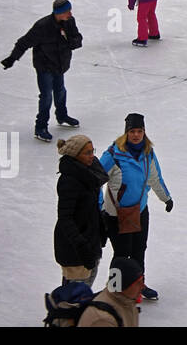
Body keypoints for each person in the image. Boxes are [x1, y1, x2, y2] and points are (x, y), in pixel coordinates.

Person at [100, 113, 172, 303]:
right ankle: (115, 289)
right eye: (132, 131)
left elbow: (155, 177)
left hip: (139, 211)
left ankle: (137, 285)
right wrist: (100, 205)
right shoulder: (113, 154)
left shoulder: (148, 152)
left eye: (139, 131)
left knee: (139, 250)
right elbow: (94, 178)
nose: (136, 135)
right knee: (122, 254)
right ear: (126, 133)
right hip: (116, 215)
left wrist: (166, 198)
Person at [2, 0, 83, 141]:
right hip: (45, 67)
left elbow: (77, 38)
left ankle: (62, 116)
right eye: (67, 11)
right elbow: (23, 43)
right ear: (58, 13)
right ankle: (40, 127)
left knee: (60, 91)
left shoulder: (70, 21)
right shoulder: (42, 27)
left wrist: (72, 41)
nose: (70, 13)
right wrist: (12, 59)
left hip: (60, 65)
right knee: (46, 96)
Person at [54, 134, 109, 288]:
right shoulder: (69, 181)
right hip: (75, 251)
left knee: (83, 293)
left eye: (93, 151)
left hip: (90, 243)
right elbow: (65, 219)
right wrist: (82, 248)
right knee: (74, 299)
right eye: (87, 153)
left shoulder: (88, 175)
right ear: (75, 155)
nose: (92, 156)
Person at [77, 256, 143, 327]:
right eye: (137, 283)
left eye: (143, 280)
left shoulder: (128, 303)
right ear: (124, 286)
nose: (143, 286)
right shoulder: (103, 320)